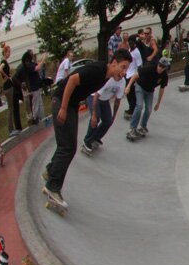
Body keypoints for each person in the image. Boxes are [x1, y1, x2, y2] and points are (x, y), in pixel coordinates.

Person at [42, 49, 132, 210]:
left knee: (68, 145)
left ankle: (51, 171)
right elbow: (71, 81)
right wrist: (62, 108)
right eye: (123, 67)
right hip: (62, 100)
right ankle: (52, 187)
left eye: (127, 69)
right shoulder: (97, 70)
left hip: (71, 104)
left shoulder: (105, 77)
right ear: (113, 63)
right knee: (67, 147)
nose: (124, 73)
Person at [125, 57, 170, 140]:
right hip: (140, 87)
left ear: (165, 68)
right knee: (139, 106)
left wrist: (158, 103)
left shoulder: (164, 76)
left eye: (163, 67)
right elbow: (136, 74)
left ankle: (142, 126)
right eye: (160, 65)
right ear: (158, 64)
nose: (160, 68)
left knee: (149, 109)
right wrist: (128, 86)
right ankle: (132, 128)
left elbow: (162, 89)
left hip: (150, 91)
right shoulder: (149, 68)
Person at [80, 74, 125, 155]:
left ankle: (95, 137)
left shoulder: (122, 82)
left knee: (108, 121)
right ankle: (87, 141)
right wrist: (93, 115)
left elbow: (117, 100)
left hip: (104, 100)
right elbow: (96, 95)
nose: (123, 74)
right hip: (93, 96)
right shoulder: (109, 79)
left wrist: (114, 116)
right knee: (96, 117)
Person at [0, 43, 23, 137]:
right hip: (8, 87)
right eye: (9, 52)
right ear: (6, 52)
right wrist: (6, 76)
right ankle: (11, 130)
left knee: (11, 108)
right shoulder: (3, 61)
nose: (10, 54)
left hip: (7, 86)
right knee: (10, 109)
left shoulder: (2, 61)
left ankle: (11, 129)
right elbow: (0, 70)